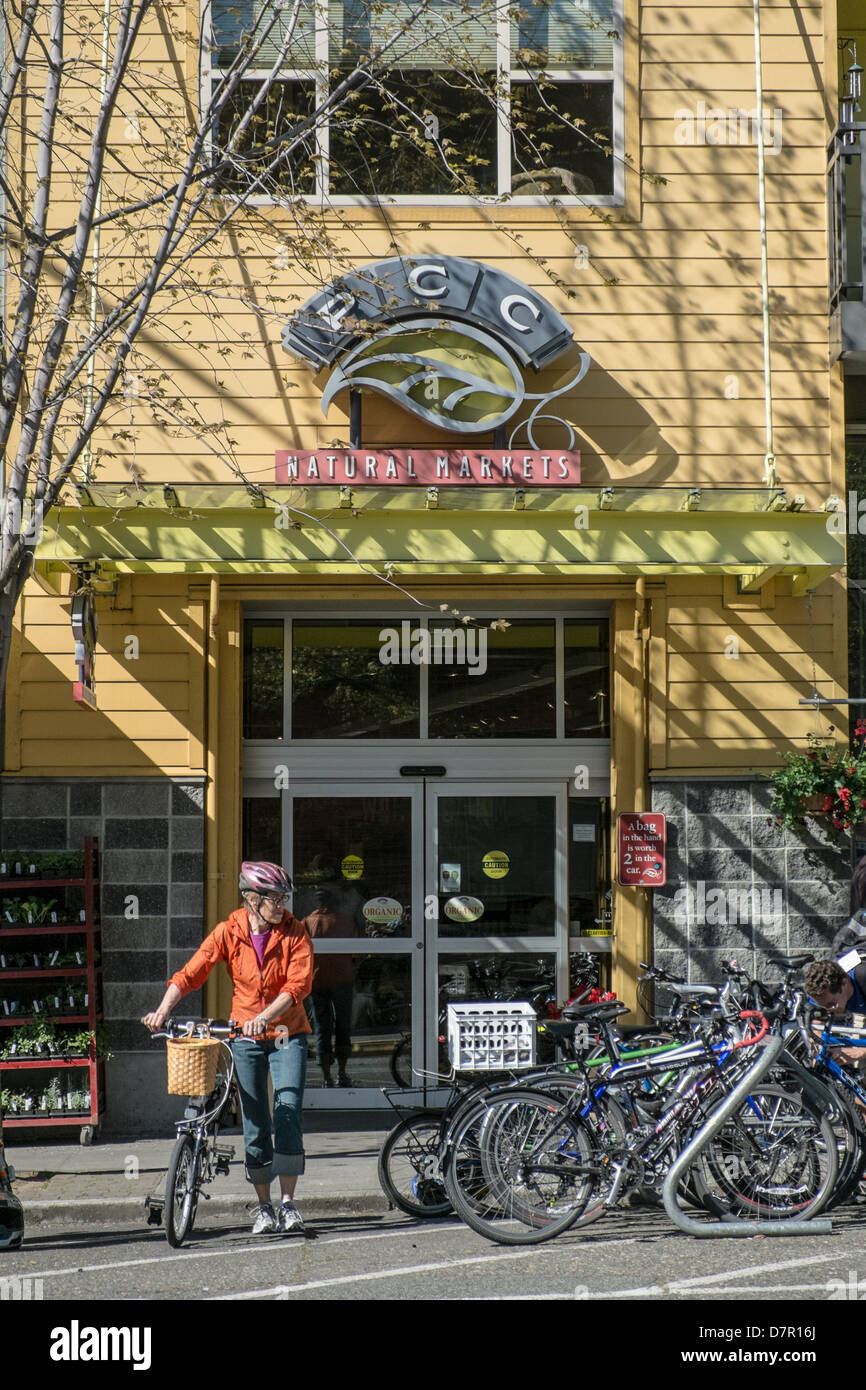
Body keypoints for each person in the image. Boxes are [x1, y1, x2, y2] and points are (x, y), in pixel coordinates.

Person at [142, 861, 313, 1236]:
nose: (282, 904)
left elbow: (297, 986)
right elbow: (192, 972)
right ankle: (264, 1206)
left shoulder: (295, 931)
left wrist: (265, 1017)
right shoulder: (229, 931)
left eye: (284, 897)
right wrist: (162, 1010)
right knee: (255, 1119)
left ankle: (288, 1204)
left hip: (287, 1031)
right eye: (274, 898)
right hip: (245, 1035)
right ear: (252, 900)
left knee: (287, 1109)